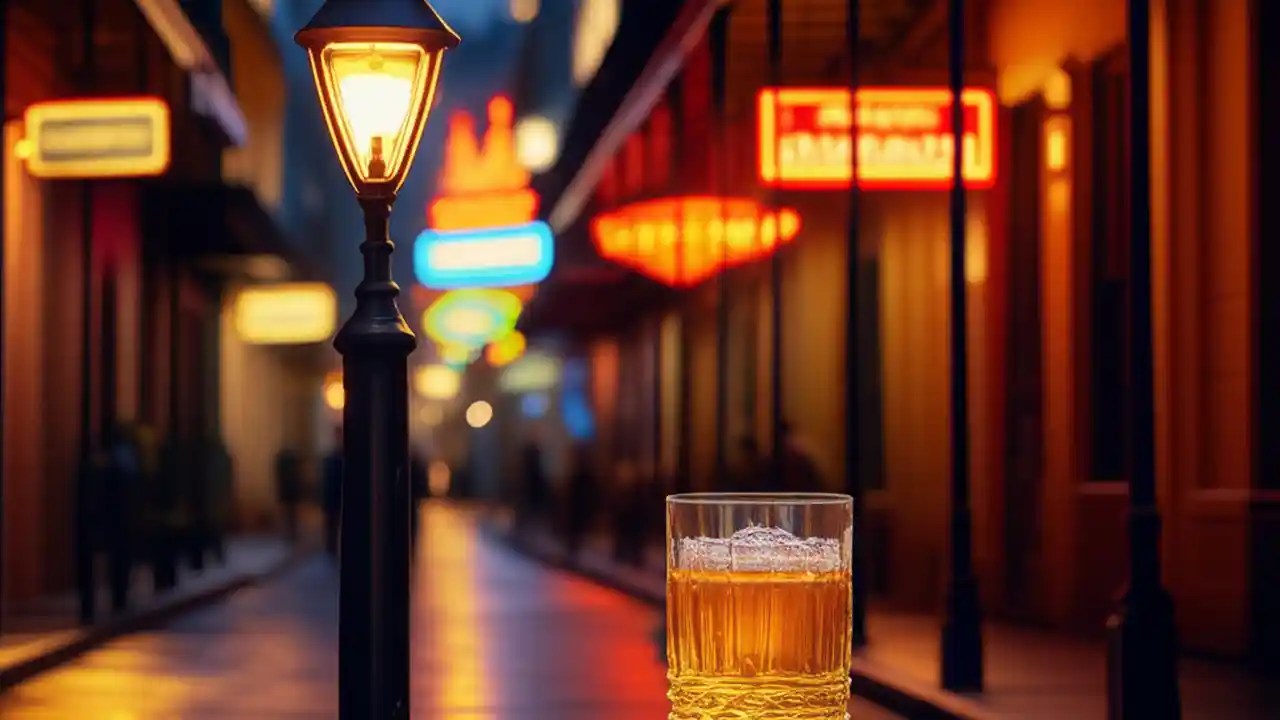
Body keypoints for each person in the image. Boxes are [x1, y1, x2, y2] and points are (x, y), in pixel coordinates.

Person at [321, 427, 343, 557]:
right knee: (330, 526)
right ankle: (331, 548)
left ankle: (333, 548)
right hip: (331, 499)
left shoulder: (339, 458)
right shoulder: (330, 458)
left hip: (338, 498)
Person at [275, 448, 303, 543]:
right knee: (291, 514)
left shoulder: (281, 463)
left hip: (286, 492)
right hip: (291, 492)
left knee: (288, 514)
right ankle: (291, 533)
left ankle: (288, 533)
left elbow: (279, 477)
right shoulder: (293, 463)